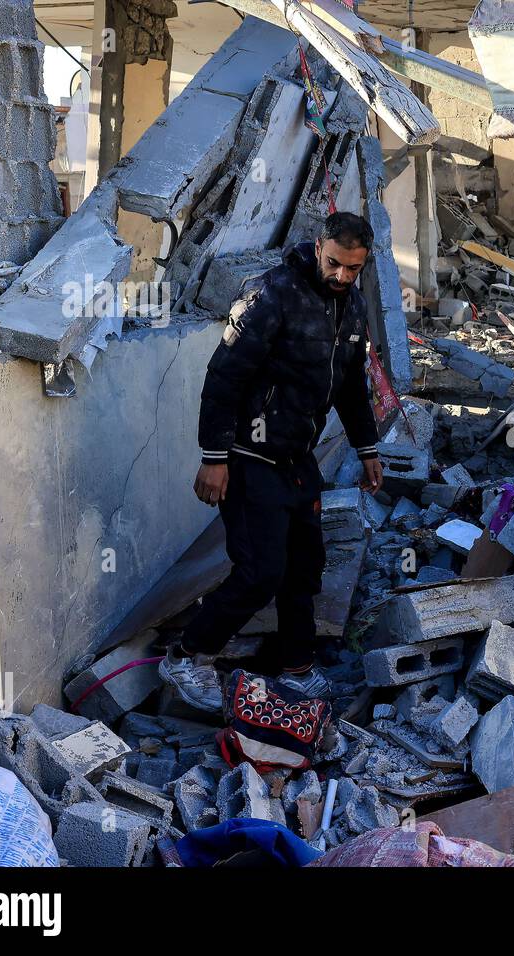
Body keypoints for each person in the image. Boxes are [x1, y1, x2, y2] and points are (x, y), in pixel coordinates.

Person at [159, 212, 384, 711]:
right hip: (247, 455)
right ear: (319, 245)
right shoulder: (270, 294)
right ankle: (187, 656)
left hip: (297, 458)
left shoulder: (352, 308)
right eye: (335, 264)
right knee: (261, 570)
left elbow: (350, 386)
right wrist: (213, 457)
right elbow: (224, 379)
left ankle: (296, 670)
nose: (342, 277)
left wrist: (367, 448)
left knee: (305, 568)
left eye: (353, 269)